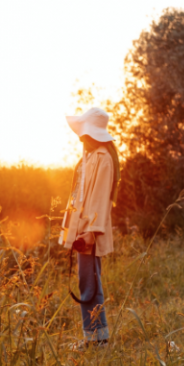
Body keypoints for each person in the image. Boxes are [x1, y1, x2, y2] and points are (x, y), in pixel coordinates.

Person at [59, 107, 120, 347]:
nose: (80, 137)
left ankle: (98, 340)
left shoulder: (103, 159)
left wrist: (92, 232)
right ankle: (94, 337)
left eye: (83, 132)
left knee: (90, 283)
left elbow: (99, 198)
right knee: (88, 280)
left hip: (89, 232)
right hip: (83, 229)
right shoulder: (92, 156)